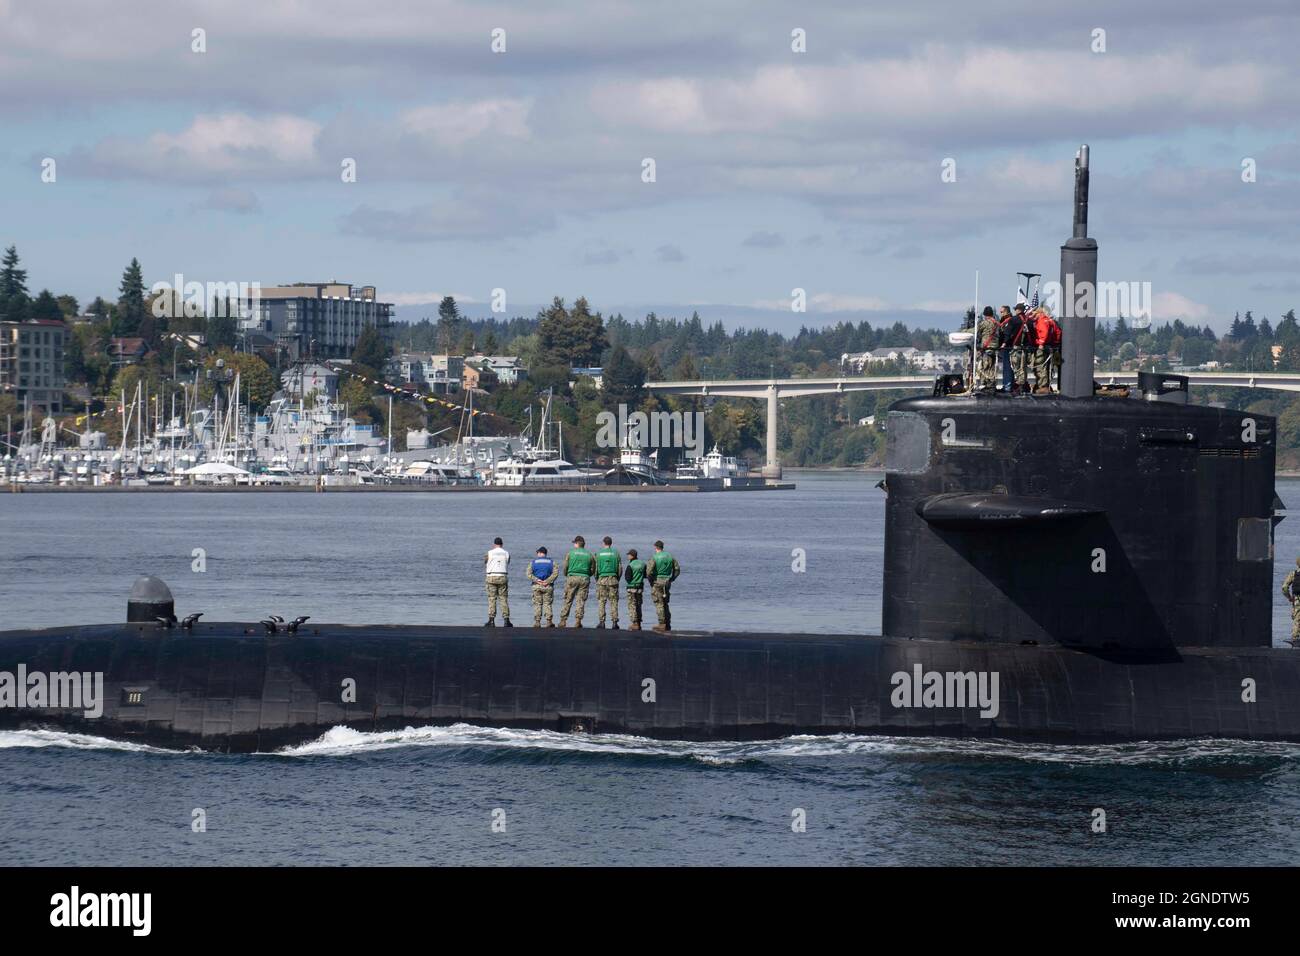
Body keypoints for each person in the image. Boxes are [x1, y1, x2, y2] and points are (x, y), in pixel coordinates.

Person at [559, 535, 596, 627]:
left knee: (568, 599)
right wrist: (588, 575)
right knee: (581, 600)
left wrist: (567, 574)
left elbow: (565, 567)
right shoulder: (589, 554)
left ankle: (563, 620)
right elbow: (593, 569)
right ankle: (578, 620)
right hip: (584, 578)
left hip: (572, 577)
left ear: (576, 544)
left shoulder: (570, 553)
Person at [647, 539, 681, 632]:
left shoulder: (654, 557)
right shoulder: (670, 557)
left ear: (655, 547)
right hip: (667, 582)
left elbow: (648, 572)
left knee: (659, 603)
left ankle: (662, 623)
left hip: (657, 581)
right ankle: (668, 623)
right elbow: (677, 569)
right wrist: (672, 578)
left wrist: (651, 581)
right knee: (665, 603)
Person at [527, 546, 559, 628]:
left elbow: (528, 574)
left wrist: (537, 580)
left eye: (537, 553)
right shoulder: (552, 562)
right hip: (548, 586)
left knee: (537, 604)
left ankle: (537, 622)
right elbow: (555, 574)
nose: (537, 554)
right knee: (547, 603)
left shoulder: (533, 562)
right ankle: (549, 621)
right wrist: (547, 581)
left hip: (536, 585)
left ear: (541, 553)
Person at [595, 535, 622, 629]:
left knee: (602, 601)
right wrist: (617, 578)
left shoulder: (599, 553)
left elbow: (596, 569)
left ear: (603, 543)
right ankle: (615, 622)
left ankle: (602, 622)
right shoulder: (616, 553)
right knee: (614, 601)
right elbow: (619, 568)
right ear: (611, 543)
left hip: (602, 579)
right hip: (613, 579)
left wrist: (597, 578)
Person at [483, 537, 512, 627]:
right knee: (503, 598)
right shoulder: (506, 553)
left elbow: (485, 561)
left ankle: (491, 620)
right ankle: (506, 620)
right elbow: (508, 562)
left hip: (491, 576)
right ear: (502, 544)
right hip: (502, 576)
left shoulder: (489, 553)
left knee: (492, 598)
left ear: (494, 544)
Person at [1008, 303, 1031, 395]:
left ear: (1018, 310)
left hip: (1016, 348)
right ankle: (1023, 385)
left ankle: (1019, 386)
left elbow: (1008, 333)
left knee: (1016, 367)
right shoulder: (1029, 320)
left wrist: (1005, 343)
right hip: (1026, 349)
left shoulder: (1013, 320)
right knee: (1023, 367)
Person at [976, 306, 999, 390]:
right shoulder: (996, 323)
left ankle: (987, 383)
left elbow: (977, 332)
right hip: (995, 347)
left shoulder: (984, 323)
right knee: (992, 366)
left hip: (986, 347)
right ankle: (992, 383)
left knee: (985, 366)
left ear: (985, 314)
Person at [624, 548, 647, 630]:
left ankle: (634, 623)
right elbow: (645, 575)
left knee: (632, 605)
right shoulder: (642, 564)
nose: (628, 556)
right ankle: (639, 622)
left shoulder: (630, 565)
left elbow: (627, 577)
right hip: (640, 587)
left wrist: (631, 581)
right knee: (639, 604)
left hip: (631, 587)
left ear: (632, 556)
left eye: (629, 555)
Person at [1282, 557, 1300, 643]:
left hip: (1297, 600)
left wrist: (1289, 597)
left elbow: (1284, 588)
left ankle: (1295, 640)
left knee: (1297, 620)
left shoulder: (1293, 574)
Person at [997, 305, 1014, 391]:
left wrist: (1004, 343)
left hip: (1007, 347)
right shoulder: (1004, 320)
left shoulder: (1009, 321)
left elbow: (1007, 334)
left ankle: (1007, 386)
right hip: (1005, 347)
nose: (1000, 313)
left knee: (1007, 367)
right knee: (1006, 367)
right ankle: (1007, 385)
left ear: (1006, 311)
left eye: (1002, 312)